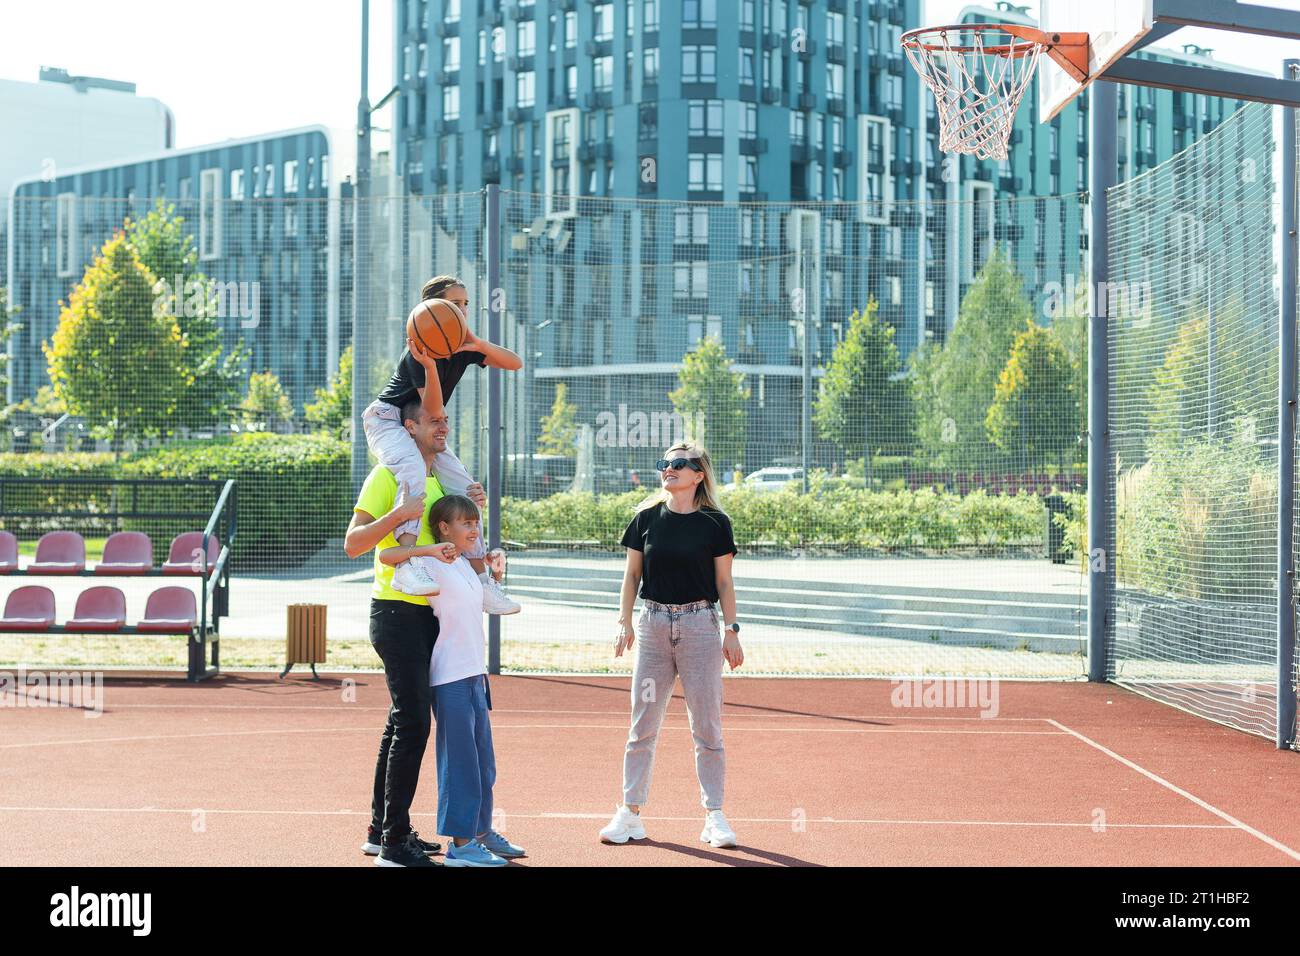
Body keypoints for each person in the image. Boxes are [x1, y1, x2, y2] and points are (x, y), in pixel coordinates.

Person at [599, 441, 745, 849]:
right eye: (665, 463)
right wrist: (623, 621)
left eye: (679, 463)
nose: (669, 469)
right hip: (653, 625)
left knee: (707, 726)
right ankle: (629, 814)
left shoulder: (716, 523)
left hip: (700, 626)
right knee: (642, 724)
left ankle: (714, 817)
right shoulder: (646, 518)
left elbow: (724, 582)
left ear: (699, 474)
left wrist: (731, 629)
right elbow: (631, 576)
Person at [361, 274, 522, 615]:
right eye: (455, 304)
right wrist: (431, 368)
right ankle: (406, 566)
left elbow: (514, 362)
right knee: (412, 467)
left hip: (423, 423)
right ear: (433, 310)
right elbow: (434, 409)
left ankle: (483, 583)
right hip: (390, 419)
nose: (463, 310)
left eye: (465, 304)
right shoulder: (417, 352)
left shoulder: (461, 347)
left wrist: (477, 343)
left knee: (466, 492)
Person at [345, 398, 455, 867]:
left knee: (401, 721)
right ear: (408, 427)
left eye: (446, 418)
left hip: (427, 615)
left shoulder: (435, 478)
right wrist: (396, 516)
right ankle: (392, 844)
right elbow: (354, 543)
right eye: (433, 420)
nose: (443, 425)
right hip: (395, 612)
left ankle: (382, 828)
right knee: (413, 723)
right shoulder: (388, 475)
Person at [388, 493, 526, 867]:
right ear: (443, 527)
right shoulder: (430, 562)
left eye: (476, 523)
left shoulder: (464, 563)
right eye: (466, 523)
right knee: (460, 763)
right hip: (449, 677)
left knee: (484, 763)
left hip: (474, 675)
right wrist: (429, 549)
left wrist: (492, 572)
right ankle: (460, 846)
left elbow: (483, 598)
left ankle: (480, 833)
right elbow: (387, 558)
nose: (474, 529)